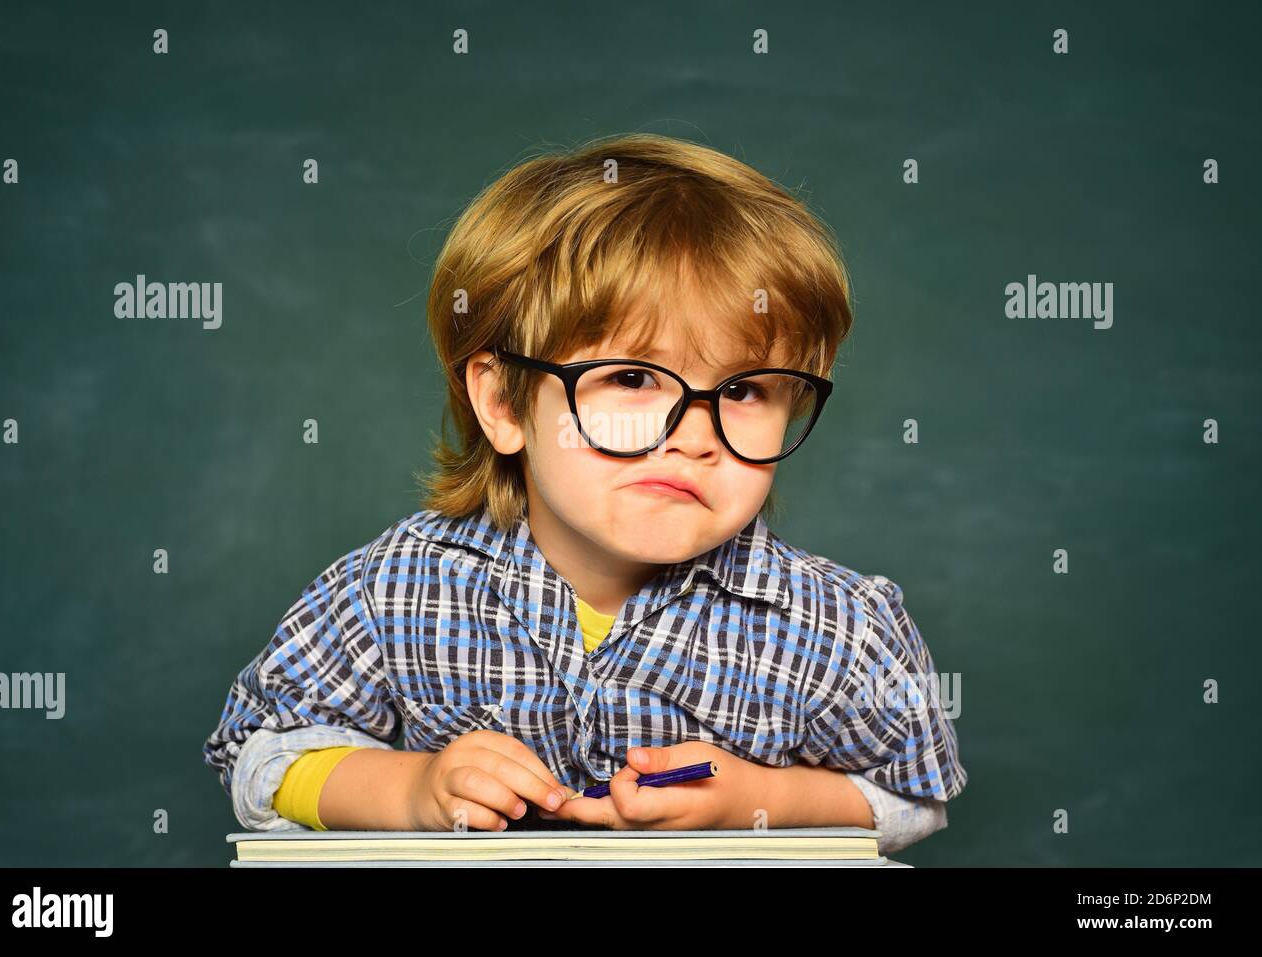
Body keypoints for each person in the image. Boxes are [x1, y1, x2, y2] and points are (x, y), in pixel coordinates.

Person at [202, 132, 968, 855]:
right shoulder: (393, 587)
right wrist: (414, 790)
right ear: (503, 403)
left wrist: (760, 800)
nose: (694, 433)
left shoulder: (838, 627)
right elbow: (261, 755)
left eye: (745, 389)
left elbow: (916, 796)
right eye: (632, 377)